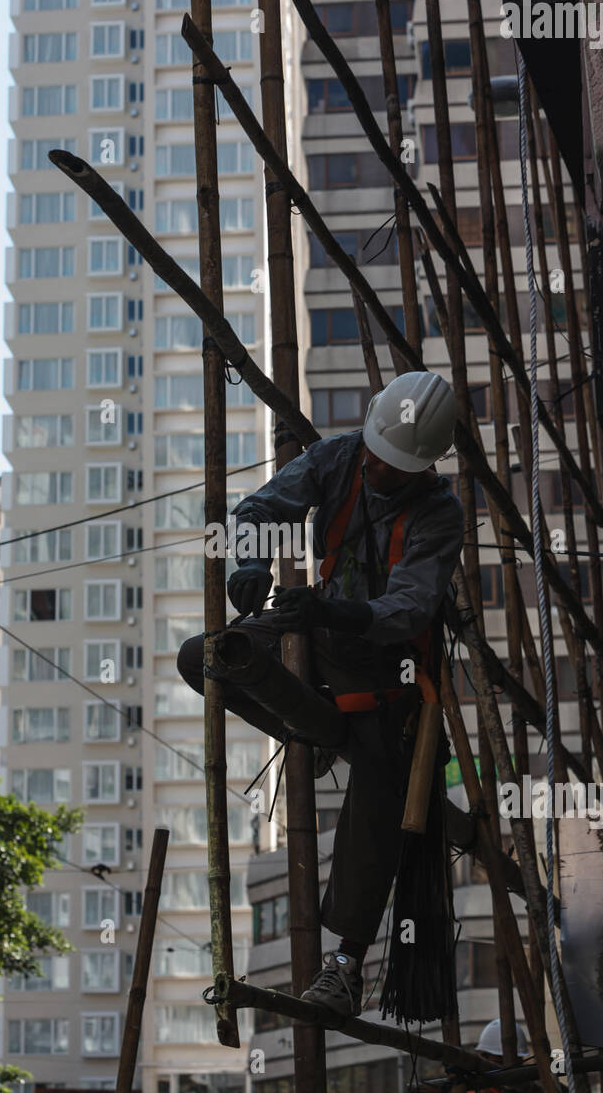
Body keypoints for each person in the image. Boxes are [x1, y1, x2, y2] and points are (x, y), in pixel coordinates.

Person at [177, 370, 463, 1016]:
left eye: (391, 466)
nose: (375, 469)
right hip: (317, 641)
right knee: (207, 658)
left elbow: (408, 609)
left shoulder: (440, 516)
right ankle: (315, 729)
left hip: (389, 680)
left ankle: (346, 964)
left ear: (421, 469)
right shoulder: (339, 458)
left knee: (381, 794)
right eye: (374, 454)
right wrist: (251, 561)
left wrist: (330, 615)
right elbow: (256, 510)